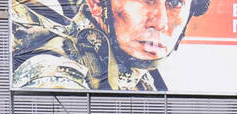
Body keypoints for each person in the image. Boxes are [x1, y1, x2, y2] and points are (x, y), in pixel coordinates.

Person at [12, 0, 211, 92]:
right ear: (97, 4)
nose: (160, 22)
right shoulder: (54, 74)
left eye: (175, 3)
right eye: (145, 1)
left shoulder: (140, 81)